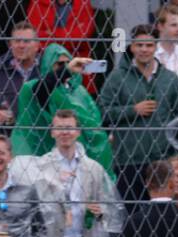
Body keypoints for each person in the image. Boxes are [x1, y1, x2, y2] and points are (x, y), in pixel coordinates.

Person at [98, 24, 178, 202]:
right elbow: (102, 113)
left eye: (149, 45)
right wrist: (133, 110)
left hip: (163, 161)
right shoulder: (117, 77)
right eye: (139, 45)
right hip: (128, 161)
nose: (144, 50)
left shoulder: (170, 79)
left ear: (156, 47)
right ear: (132, 46)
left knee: (161, 217)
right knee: (132, 216)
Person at [13, 43, 112, 174]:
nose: (65, 67)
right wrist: (67, 71)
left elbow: (95, 120)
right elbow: (42, 89)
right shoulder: (35, 87)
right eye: (59, 64)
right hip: (49, 157)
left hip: (84, 156)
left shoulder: (79, 90)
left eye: (67, 63)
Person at [0, 23, 41, 142]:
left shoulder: (45, 68)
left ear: (37, 45)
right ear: (10, 45)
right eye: (17, 41)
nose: (21, 46)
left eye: (26, 41)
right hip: (7, 138)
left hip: (39, 137)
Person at [26, 0, 96, 63]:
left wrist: (50, 33)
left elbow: (81, 36)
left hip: (76, 59)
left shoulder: (84, 3)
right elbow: (35, 35)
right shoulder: (38, 2)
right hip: (43, 59)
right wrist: (69, 34)